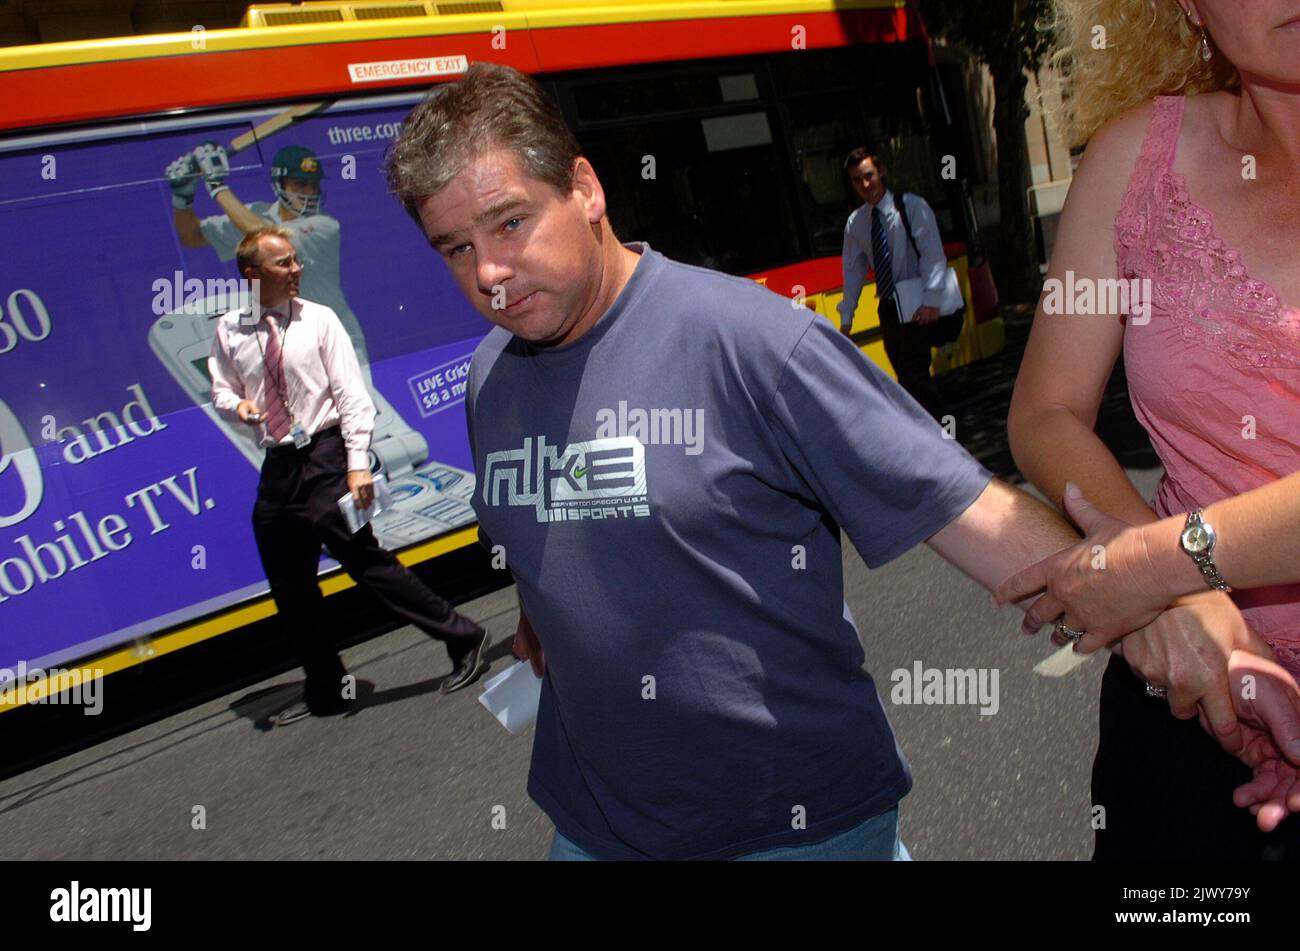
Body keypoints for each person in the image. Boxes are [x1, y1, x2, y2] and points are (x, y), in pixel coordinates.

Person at [383, 62, 1288, 860]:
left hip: (795, 830)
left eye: (509, 224)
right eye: (457, 249)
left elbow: (977, 518)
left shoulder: (753, 343)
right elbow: (555, 548)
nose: (489, 274)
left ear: (584, 187)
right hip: (592, 828)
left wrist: (1163, 607)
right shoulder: (490, 377)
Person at [1003, 0, 1300, 856]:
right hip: (1184, 701)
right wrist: (1175, 607)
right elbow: (1046, 409)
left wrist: (1153, 566)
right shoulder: (1136, 158)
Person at [208, 226, 490, 725]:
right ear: (252, 275)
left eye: (296, 260)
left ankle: (463, 636)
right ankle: (327, 688)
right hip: (279, 468)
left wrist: (357, 462)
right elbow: (221, 390)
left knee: (366, 562)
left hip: (327, 459)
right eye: (283, 263)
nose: (297, 269)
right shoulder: (230, 329)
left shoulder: (319, 320)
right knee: (290, 587)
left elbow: (351, 395)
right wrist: (240, 406)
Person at [168, 142, 370, 365]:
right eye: (300, 184)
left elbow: (268, 238)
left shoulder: (324, 225)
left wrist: (216, 184)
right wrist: (182, 199)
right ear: (279, 184)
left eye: (313, 185)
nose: (309, 192)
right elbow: (193, 236)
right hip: (289, 349)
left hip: (336, 343)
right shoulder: (256, 213)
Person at [837, 148, 948, 421]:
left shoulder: (911, 207)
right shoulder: (857, 223)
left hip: (915, 305)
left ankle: (940, 439)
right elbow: (853, 272)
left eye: (868, 176)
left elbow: (933, 254)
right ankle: (932, 437)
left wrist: (932, 301)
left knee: (914, 377)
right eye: (856, 180)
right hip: (888, 309)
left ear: (881, 172)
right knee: (906, 378)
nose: (864, 185)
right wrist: (846, 316)